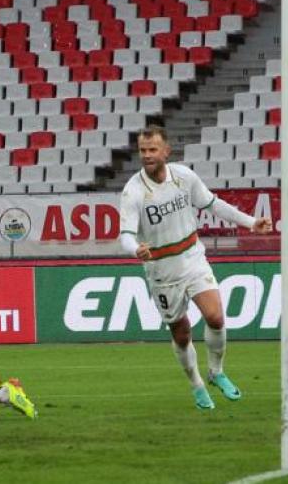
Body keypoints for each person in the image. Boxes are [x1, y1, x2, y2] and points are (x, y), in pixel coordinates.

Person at [118, 126, 272, 410]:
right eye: (143, 150)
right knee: (182, 333)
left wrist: (251, 222)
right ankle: (197, 385)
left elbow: (214, 205)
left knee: (215, 316)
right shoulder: (133, 192)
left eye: (153, 149)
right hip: (161, 270)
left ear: (166, 151)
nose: (147, 155)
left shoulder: (184, 177)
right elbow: (125, 234)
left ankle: (217, 372)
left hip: (192, 257)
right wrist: (135, 248)